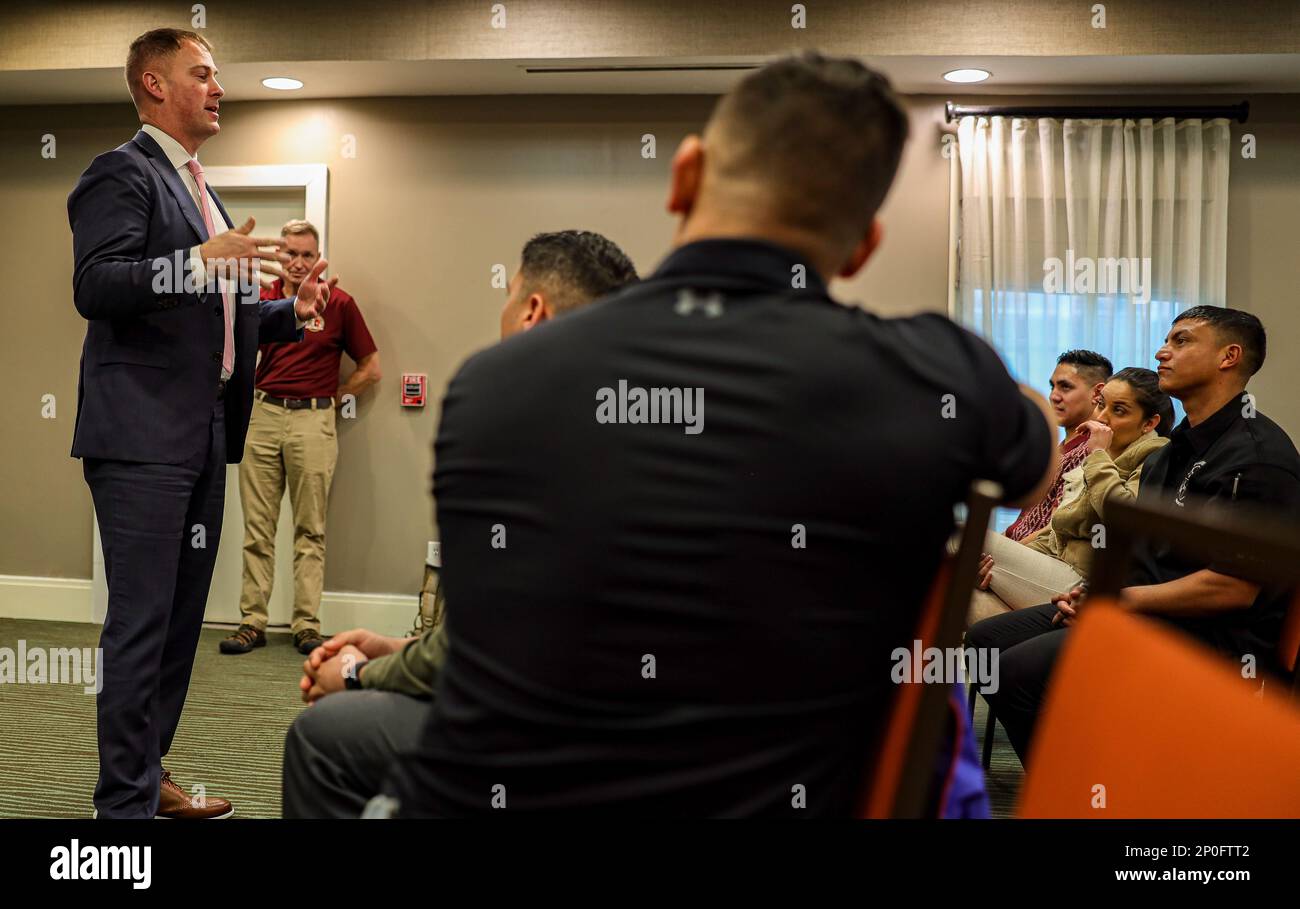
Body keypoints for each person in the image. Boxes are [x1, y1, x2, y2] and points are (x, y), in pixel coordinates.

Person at [377, 52, 1059, 817]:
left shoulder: (493, 379)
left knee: (340, 750)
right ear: (863, 245)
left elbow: (481, 642)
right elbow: (1037, 464)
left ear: (686, 175)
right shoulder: (935, 374)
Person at [280, 230, 638, 818]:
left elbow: (495, 654)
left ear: (531, 312)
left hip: (554, 731)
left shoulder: (517, 418)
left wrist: (365, 674)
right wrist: (404, 646)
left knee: (323, 737)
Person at [69, 28, 333, 818]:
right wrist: (197, 262)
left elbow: (222, 310)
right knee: (141, 623)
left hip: (203, 432)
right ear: (154, 83)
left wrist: (293, 312)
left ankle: (150, 777)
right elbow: (96, 283)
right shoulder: (121, 171)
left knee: (180, 626)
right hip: (140, 436)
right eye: (203, 74)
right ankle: (121, 809)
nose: (220, 87)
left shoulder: (200, 187)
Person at [968, 306, 1300, 763]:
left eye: (1182, 341)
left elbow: (1233, 588)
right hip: (1145, 612)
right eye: (1167, 339)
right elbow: (1140, 554)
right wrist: (1091, 593)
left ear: (1229, 356)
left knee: (1013, 673)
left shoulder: (1258, 458)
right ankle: (1089, 780)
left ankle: (1083, 793)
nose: (1162, 351)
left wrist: (1116, 604)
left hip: (1207, 639)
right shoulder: (1174, 450)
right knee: (987, 643)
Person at [221, 219, 381, 656]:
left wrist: (335, 397)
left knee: (311, 530)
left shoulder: (339, 303)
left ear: (318, 257)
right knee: (258, 529)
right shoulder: (257, 299)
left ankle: (306, 625)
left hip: (314, 421)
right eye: (290, 253)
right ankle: (252, 621)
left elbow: (371, 367)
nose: (297, 262)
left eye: (307, 255)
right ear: (279, 257)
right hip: (263, 415)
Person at [972, 367, 1173, 617]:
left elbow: (1123, 517)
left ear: (1149, 423)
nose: (1101, 418)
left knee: (959, 534)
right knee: (967, 599)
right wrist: (1000, 565)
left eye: (1118, 410)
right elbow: (1058, 530)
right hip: (1057, 565)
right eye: (1101, 405)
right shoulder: (1105, 452)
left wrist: (1097, 456)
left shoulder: (1155, 454)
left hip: (1086, 582)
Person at [1004, 350, 1113, 543]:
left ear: (1097, 393)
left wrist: (1002, 552)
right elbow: (1024, 521)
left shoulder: (1093, 449)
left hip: (1040, 555)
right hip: (1017, 547)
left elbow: (1056, 527)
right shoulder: (1060, 448)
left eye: (1065, 387)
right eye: (1052, 386)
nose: (1053, 396)